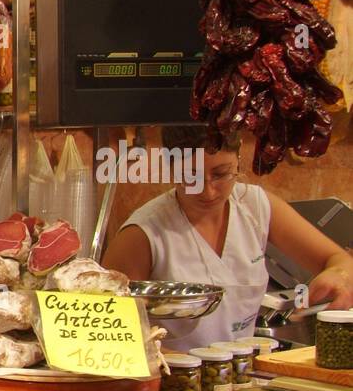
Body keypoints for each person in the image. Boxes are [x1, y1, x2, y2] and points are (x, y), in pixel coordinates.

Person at [102, 127, 353, 351]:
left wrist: (339, 275)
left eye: (221, 174)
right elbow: (109, 332)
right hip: (171, 387)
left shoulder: (256, 207)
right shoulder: (142, 234)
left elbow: (338, 260)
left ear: (238, 160)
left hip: (242, 377)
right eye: (191, 176)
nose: (208, 191)